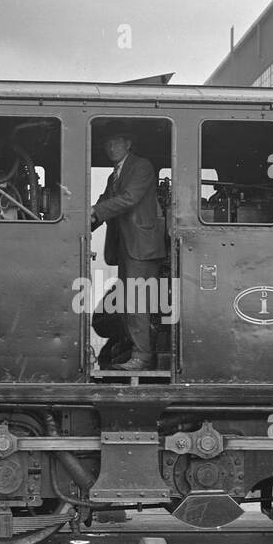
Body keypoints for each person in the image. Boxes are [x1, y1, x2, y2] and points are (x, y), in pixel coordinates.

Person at [90, 130, 166, 371]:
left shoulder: (141, 167)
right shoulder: (116, 174)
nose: (110, 148)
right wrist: (83, 222)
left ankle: (142, 357)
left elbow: (129, 198)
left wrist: (96, 211)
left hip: (141, 247)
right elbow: (104, 202)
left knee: (136, 303)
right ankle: (132, 351)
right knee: (127, 302)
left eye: (115, 142)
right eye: (107, 143)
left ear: (128, 143)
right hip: (127, 246)